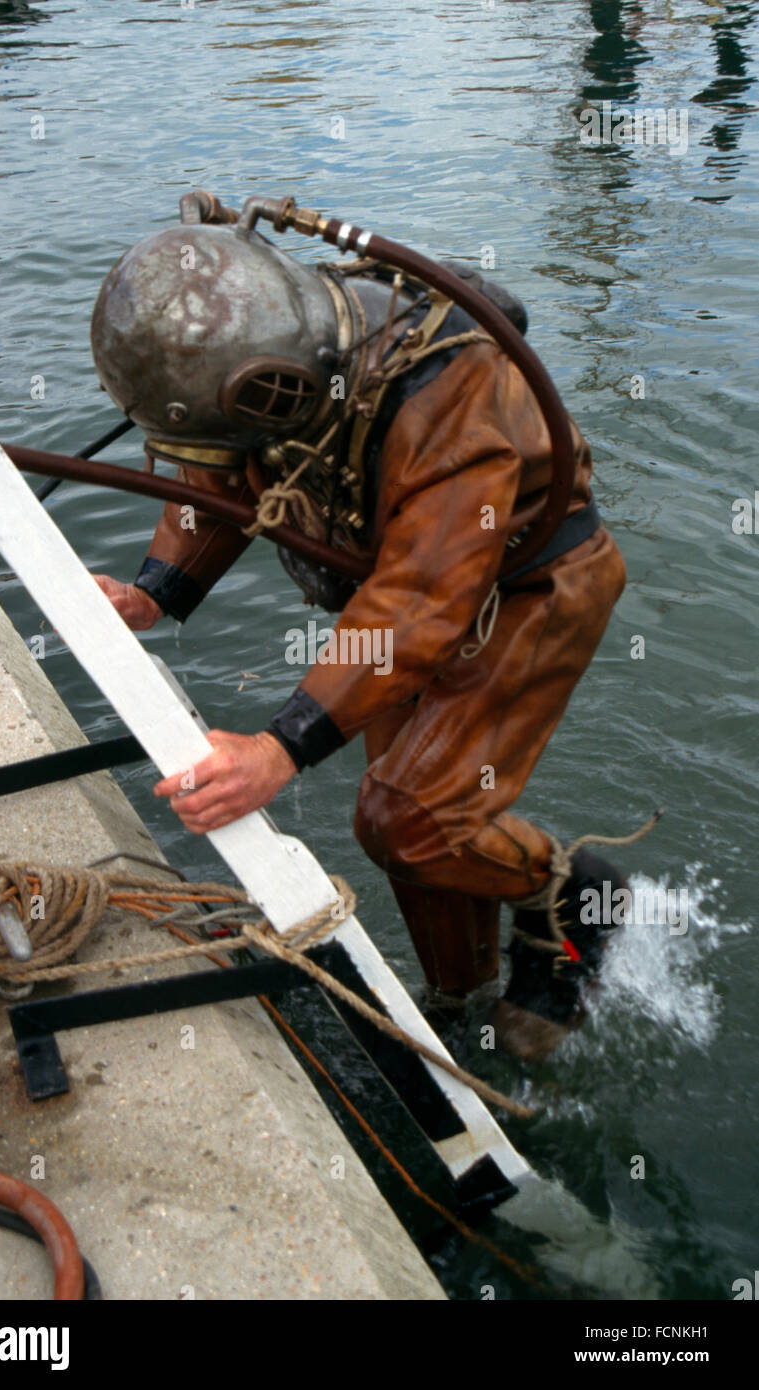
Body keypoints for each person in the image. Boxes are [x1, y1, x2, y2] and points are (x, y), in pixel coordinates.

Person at [89, 190, 628, 1060]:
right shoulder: (264, 367)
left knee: (406, 816)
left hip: (528, 590)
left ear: (278, 383)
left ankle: (567, 893)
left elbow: (423, 598)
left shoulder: (444, 387)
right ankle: (459, 999)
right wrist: (154, 591)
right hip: (390, 590)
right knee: (406, 830)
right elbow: (216, 479)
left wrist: (278, 748)